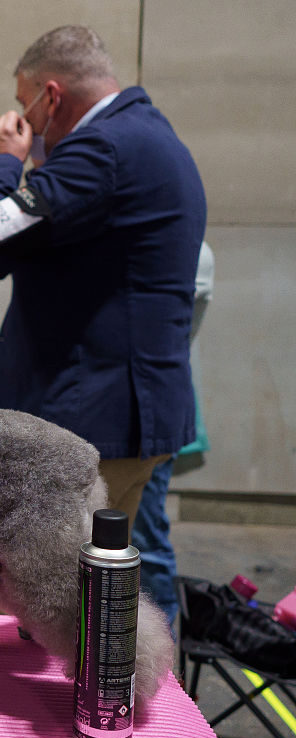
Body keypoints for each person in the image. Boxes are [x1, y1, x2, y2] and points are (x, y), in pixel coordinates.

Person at [0, 24, 206, 532]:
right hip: (122, 418)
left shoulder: (100, 152)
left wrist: (3, 163)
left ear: (51, 97)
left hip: (88, 424)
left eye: (22, 105)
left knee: (65, 598)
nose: (23, 121)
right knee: (98, 597)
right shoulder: (152, 137)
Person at [131, 241, 215, 630]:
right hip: (136, 405)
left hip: (147, 409)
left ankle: (163, 667)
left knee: (146, 541)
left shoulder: (191, 252)